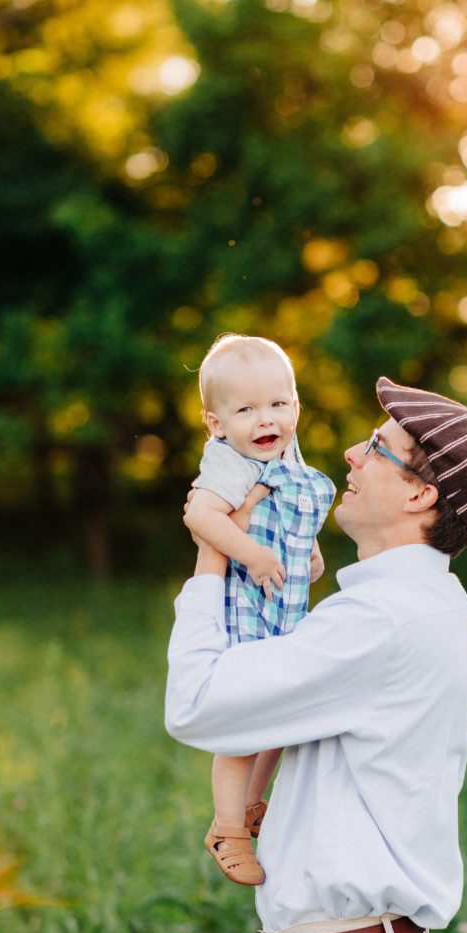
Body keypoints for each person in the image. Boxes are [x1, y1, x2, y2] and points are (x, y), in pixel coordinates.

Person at [166, 376, 467, 933]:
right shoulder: (429, 609)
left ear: (420, 492)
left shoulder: (381, 620)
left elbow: (196, 703)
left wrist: (212, 553)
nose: (352, 455)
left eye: (377, 448)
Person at [182, 333, 335, 886]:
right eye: (245, 410)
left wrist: (308, 555)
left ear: (296, 407)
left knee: (281, 721)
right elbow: (201, 516)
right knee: (245, 724)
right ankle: (227, 826)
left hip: (281, 615)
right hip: (241, 614)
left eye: (277, 404)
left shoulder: (285, 457)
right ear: (216, 424)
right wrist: (250, 552)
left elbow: (295, 519)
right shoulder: (229, 462)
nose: (264, 419)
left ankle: (250, 806)